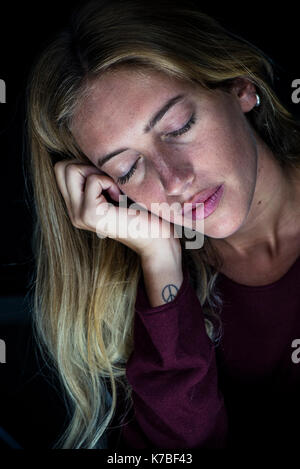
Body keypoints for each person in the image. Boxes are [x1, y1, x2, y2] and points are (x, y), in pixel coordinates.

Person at [25, 0, 300, 449]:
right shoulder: (144, 302)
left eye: (178, 126)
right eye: (128, 169)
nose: (175, 181)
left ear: (240, 87)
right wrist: (160, 257)